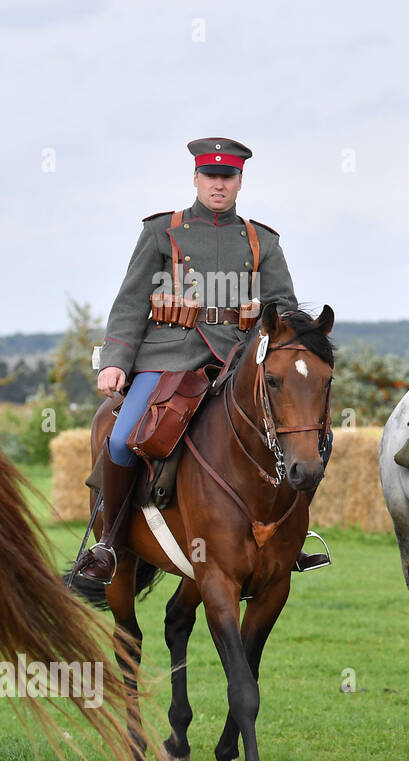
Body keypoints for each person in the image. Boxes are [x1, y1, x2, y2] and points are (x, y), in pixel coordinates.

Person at [76, 137, 313, 583]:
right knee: (125, 438)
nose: (218, 184)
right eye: (211, 176)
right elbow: (130, 303)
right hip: (168, 357)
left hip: (237, 361)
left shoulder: (262, 240)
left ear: (240, 181)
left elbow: (283, 307)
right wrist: (115, 360)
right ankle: (108, 543)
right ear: (196, 178)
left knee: (302, 435)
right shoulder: (161, 232)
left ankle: (291, 540)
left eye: (227, 177)